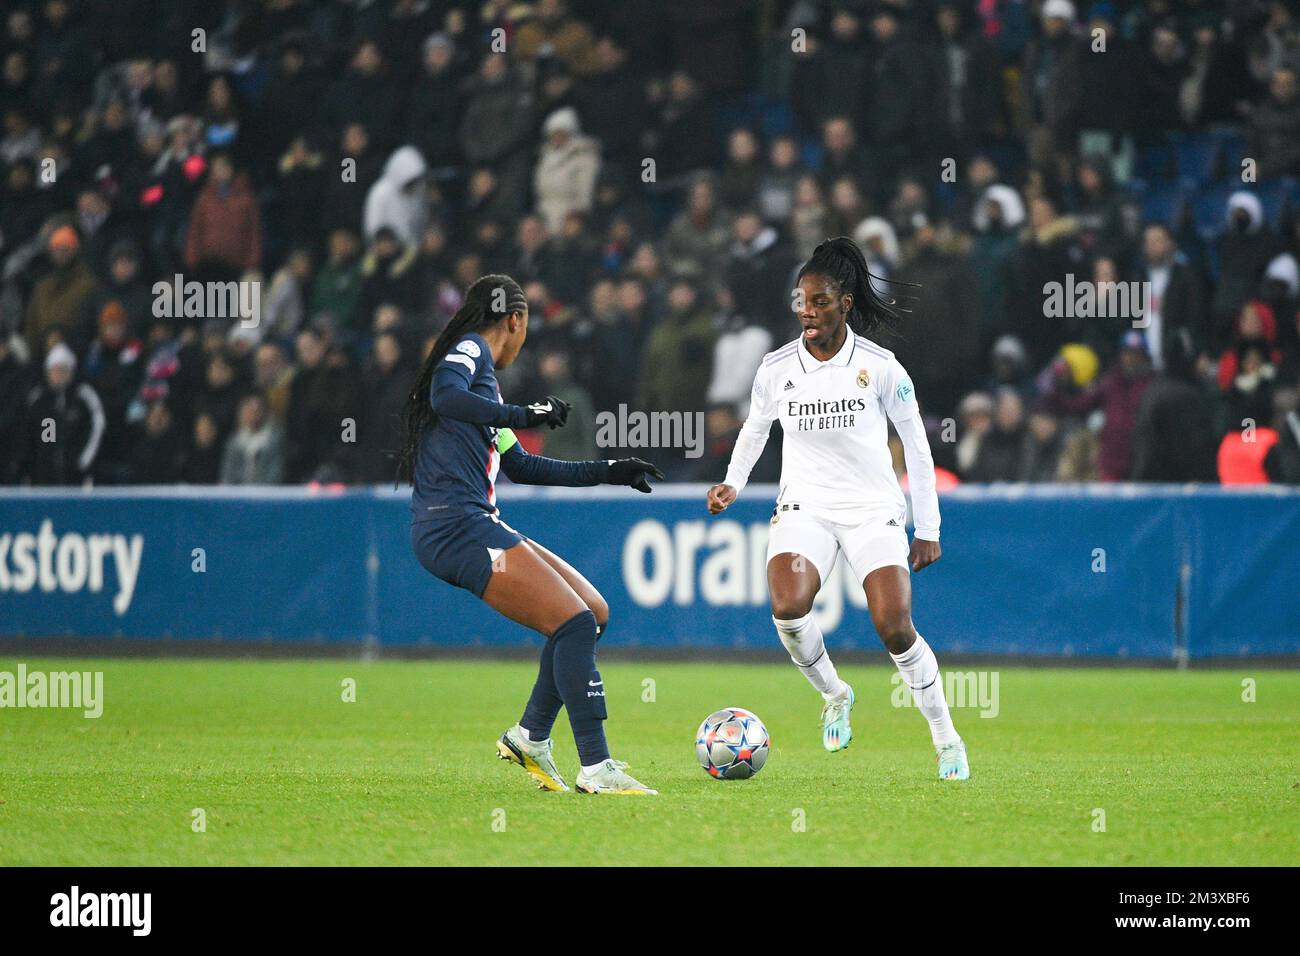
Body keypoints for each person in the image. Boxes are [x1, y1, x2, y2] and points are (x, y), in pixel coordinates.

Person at [705, 237, 970, 781]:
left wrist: (930, 525)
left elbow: (917, 446)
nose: (808, 311)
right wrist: (732, 482)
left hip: (873, 508)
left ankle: (947, 739)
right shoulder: (776, 368)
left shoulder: (881, 367)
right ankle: (835, 693)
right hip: (805, 507)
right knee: (788, 604)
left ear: (845, 304)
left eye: (820, 301)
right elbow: (755, 429)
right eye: (801, 301)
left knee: (894, 627)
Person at [396, 274, 665, 795]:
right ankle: (597, 767)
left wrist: (611, 470)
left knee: (592, 613)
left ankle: (529, 736)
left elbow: (523, 465)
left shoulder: (485, 388)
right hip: (454, 525)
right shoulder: (469, 350)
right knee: (574, 623)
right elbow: (444, 395)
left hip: (472, 521)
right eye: (526, 328)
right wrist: (525, 412)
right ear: (515, 320)